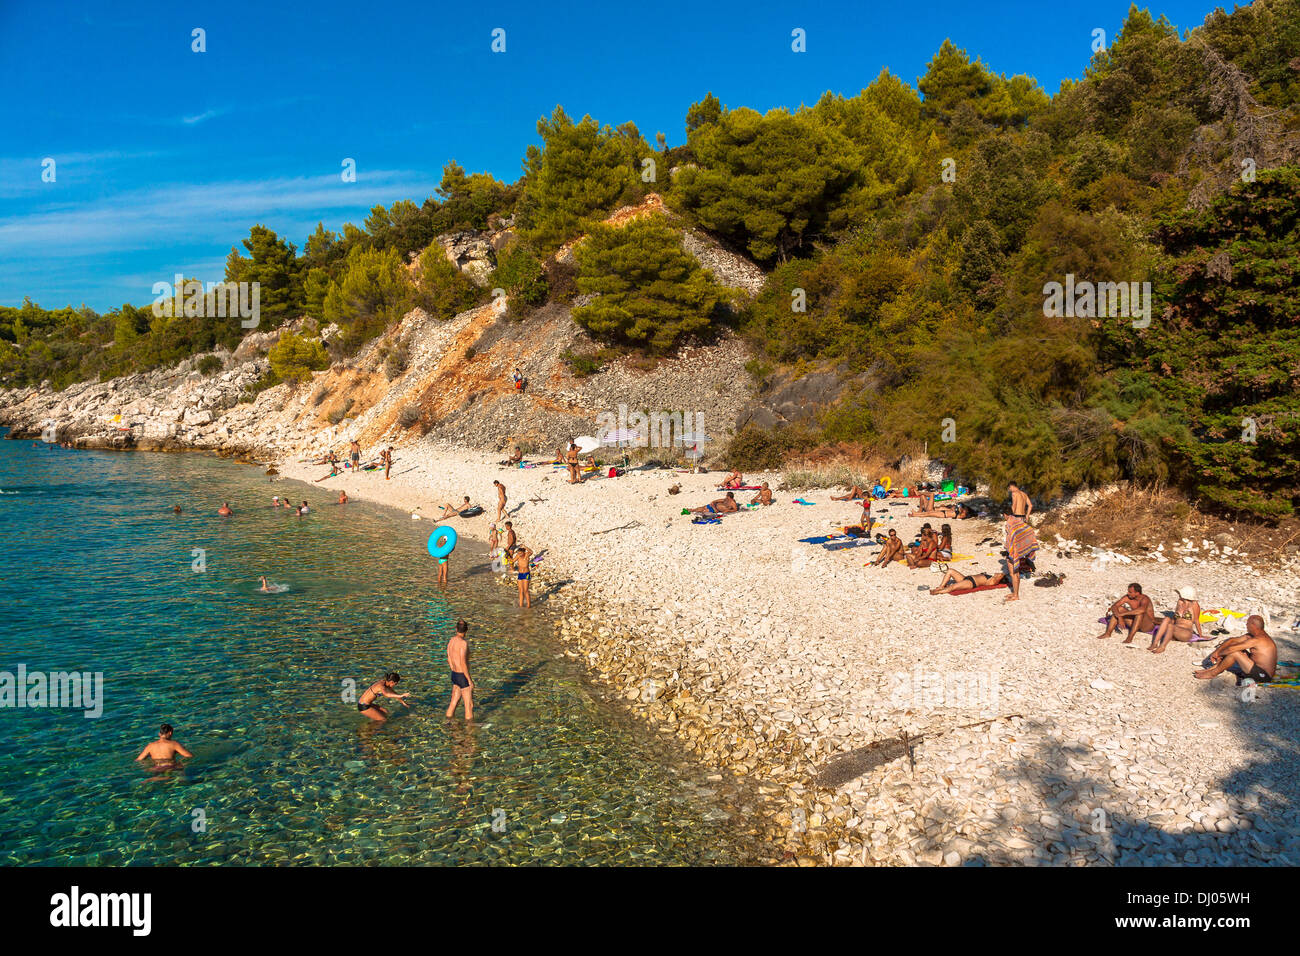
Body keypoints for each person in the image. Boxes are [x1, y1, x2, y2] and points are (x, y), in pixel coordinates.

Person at [1195, 615, 1276, 684]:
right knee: (1235, 648)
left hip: (1263, 676)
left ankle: (1213, 673)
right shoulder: (1252, 636)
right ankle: (1212, 669)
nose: (1246, 625)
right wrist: (1217, 652)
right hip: (1255, 667)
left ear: (1253, 625)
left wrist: (1219, 654)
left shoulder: (1258, 639)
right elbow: (1232, 640)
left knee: (1234, 653)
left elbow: (1231, 649)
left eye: (1247, 623)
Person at [1151, 586, 1204, 653]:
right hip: (1176, 628)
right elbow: (1175, 617)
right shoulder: (1179, 602)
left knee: (1171, 626)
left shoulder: (1194, 605)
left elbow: (1196, 620)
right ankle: (1154, 643)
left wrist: (1201, 635)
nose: (1179, 595)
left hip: (1186, 632)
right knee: (1166, 619)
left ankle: (1162, 647)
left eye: (1180, 593)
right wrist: (1167, 624)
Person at [1002, 514, 1038, 603]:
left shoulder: (1010, 524)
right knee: (1015, 573)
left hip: (1013, 552)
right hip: (1017, 550)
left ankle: (1016, 595)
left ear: (1006, 514)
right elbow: (1028, 530)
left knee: (1014, 573)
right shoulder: (1018, 521)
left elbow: (1011, 538)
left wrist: (1012, 550)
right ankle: (1014, 593)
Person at [447, 621, 474, 719]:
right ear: (466, 630)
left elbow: (449, 658)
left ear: (456, 629)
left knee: (453, 702)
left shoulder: (451, 640)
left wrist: (454, 670)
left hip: (454, 674)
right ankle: (469, 730)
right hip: (462, 676)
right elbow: (463, 662)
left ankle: (448, 722)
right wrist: (469, 680)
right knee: (469, 706)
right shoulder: (463, 643)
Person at [929, 568, 1008, 595]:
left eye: (1000, 574)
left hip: (971, 583)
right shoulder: (993, 577)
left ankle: (937, 592)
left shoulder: (993, 581)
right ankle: (941, 587)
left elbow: (1002, 576)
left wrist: (1005, 575)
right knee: (950, 571)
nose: (998, 573)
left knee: (953, 587)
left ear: (999, 579)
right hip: (966, 578)